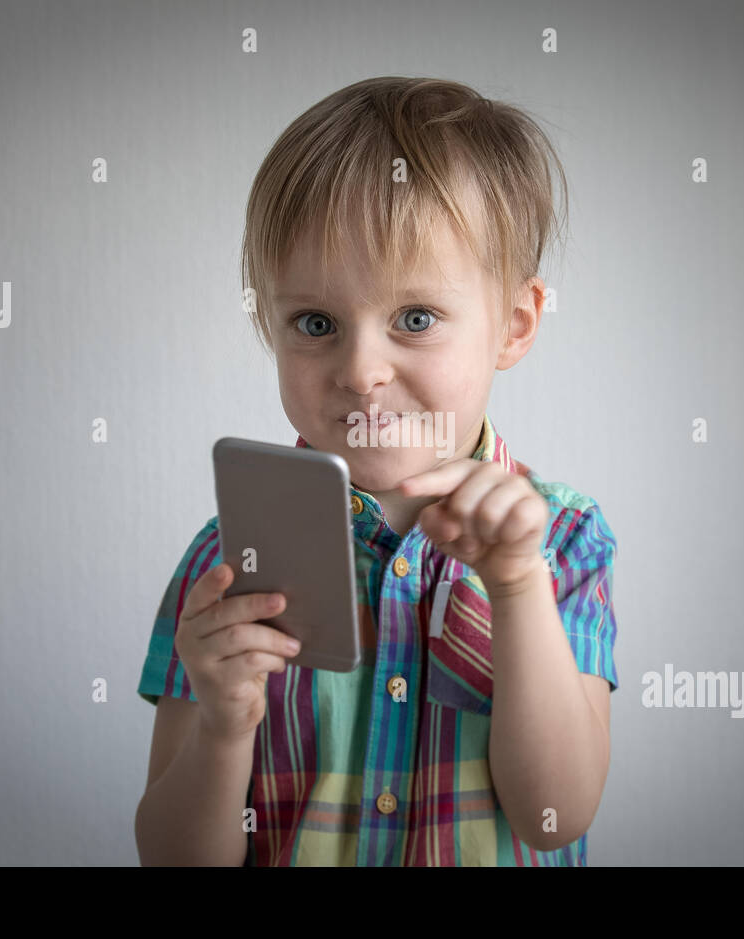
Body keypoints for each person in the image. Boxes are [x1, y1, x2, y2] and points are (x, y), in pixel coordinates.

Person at [134, 76, 619, 866]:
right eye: (316, 323)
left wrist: (518, 587)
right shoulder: (226, 562)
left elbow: (554, 816)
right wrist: (225, 726)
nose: (361, 371)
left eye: (416, 319)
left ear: (515, 324)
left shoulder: (560, 541)